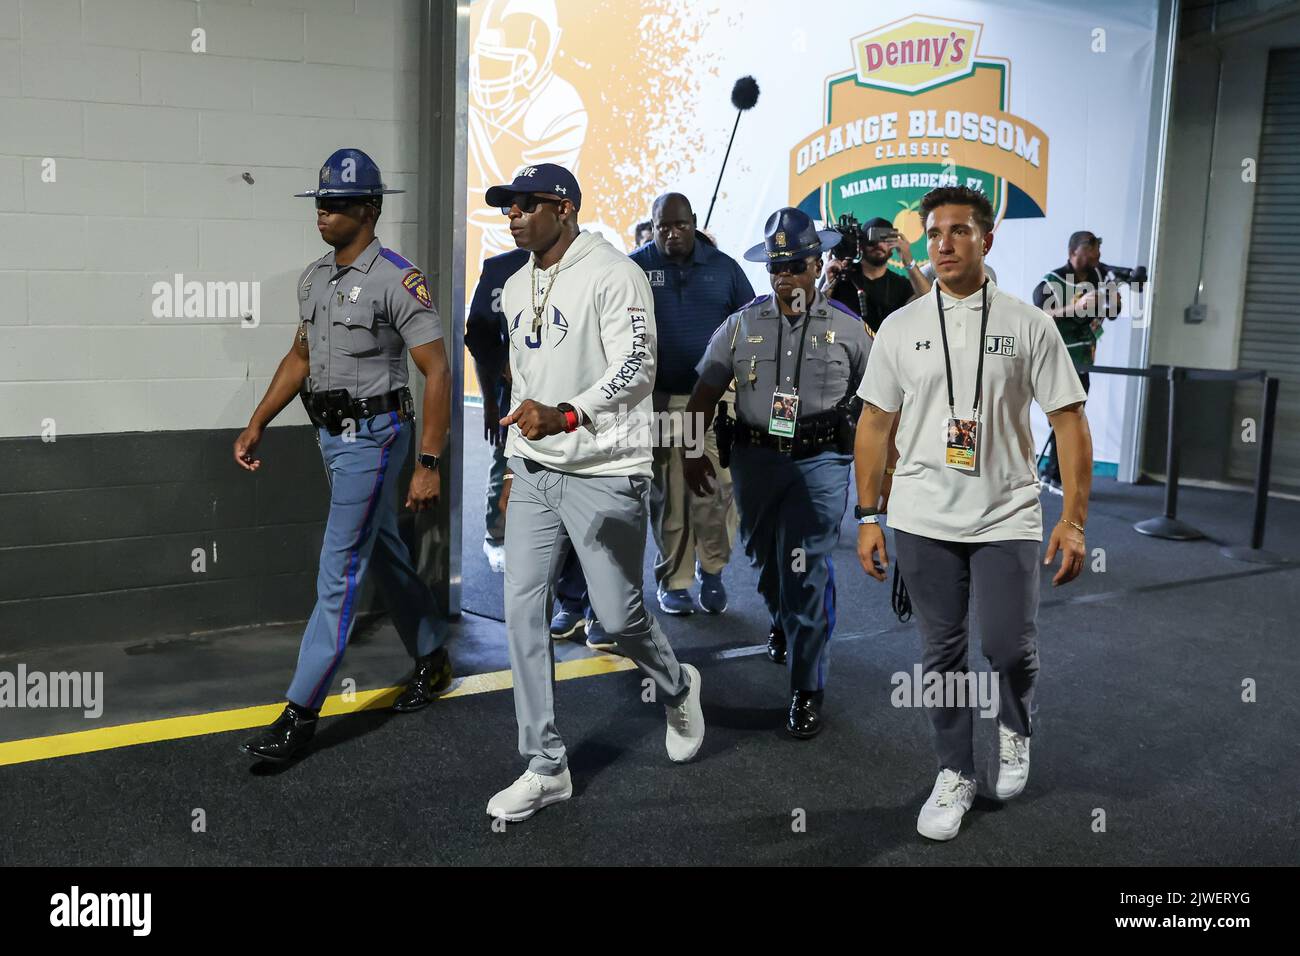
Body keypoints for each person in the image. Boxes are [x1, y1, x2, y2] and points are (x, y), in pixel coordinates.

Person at [853, 185, 1092, 841]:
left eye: (959, 231)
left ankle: (1015, 723)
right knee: (942, 655)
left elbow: (1068, 423)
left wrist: (1073, 519)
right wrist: (869, 513)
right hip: (923, 516)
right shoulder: (902, 328)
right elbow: (875, 424)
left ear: (987, 239)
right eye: (934, 233)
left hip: (1007, 512)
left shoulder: (1027, 323)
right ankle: (954, 771)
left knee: (1007, 646)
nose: (944, 243)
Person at [483, 163, 704, 821]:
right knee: (522, 610)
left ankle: (675, 682)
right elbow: (522, 380)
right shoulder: (515, 284)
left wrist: (570, 413)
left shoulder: (615, 273)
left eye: (525, 205)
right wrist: (512, 463)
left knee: (616, 618)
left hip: (607, 469)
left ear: (565, 207)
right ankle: (546, 764)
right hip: (535, 471)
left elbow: (637, 368)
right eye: (508, 207)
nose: (513, 215)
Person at [233, 148, 454, 763]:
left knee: (338, 570)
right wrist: (258, 421)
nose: (322, 214)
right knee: (379, 547)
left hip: (376, 439)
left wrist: (428, 462)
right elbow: (300, 357)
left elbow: (436, 371)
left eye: (335, 204)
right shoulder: (315, 278)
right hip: (331, 439)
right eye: (319, 203)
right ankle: (433, 653)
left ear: (370, 209)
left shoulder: (397, 279)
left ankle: (299, 714)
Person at [683, 208, 870, 739]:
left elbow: (880, 405)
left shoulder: (851, 331)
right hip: (756, 460)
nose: (784, 276)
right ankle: (784, 619)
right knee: (766, 561)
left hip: (821, 462)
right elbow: (704, 391)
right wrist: (692, 450)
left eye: (795, 266)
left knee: (807, 568)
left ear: (817, 265)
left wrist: (883, 480)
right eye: (776, 267)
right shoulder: (741, 324)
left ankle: (807, 687)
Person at [631, 192, 754, 616]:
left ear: (694, 222)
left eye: (680, 225)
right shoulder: (635, 267)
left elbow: (751, 328)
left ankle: (713, 570)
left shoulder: (725, 269)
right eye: (663, 225)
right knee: (670, 496)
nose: (671, 233)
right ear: (653, 224)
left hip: (719, 401)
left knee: (716, 490)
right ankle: (674, 579)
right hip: (660, 401)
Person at [1032, 230, 1120, 492]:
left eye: (1097, 250)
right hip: (1056, 359)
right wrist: (1075, 308)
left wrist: (1115, 302)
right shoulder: (1054, 280)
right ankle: (1056, 474)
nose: (1096, 255)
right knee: (1063, 418)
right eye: (1090, 250)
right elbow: (1039, 316)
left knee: (1074, 416)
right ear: (1073, 253)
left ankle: (1053, 473)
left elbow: (1113, 314)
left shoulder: (1101, 277)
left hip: (1083, 359)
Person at [466, 248, 529, 573]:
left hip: (565, 400)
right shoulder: (500, 269)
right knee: (505, 467)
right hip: (511, 398)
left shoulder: (582, 265)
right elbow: (479, 339)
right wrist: (489, 401)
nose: (517, 216)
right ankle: (497, 537)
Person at [827, 217, 930, 334]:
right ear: (861, 244)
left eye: (885, 239)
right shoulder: (840, 276)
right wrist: (828, 284)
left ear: (893, 246)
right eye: (872, 239)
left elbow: (929, 302)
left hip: (887, 349)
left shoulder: (900, 285)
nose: (879, 244)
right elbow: (816, 310)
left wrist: (908, 260)